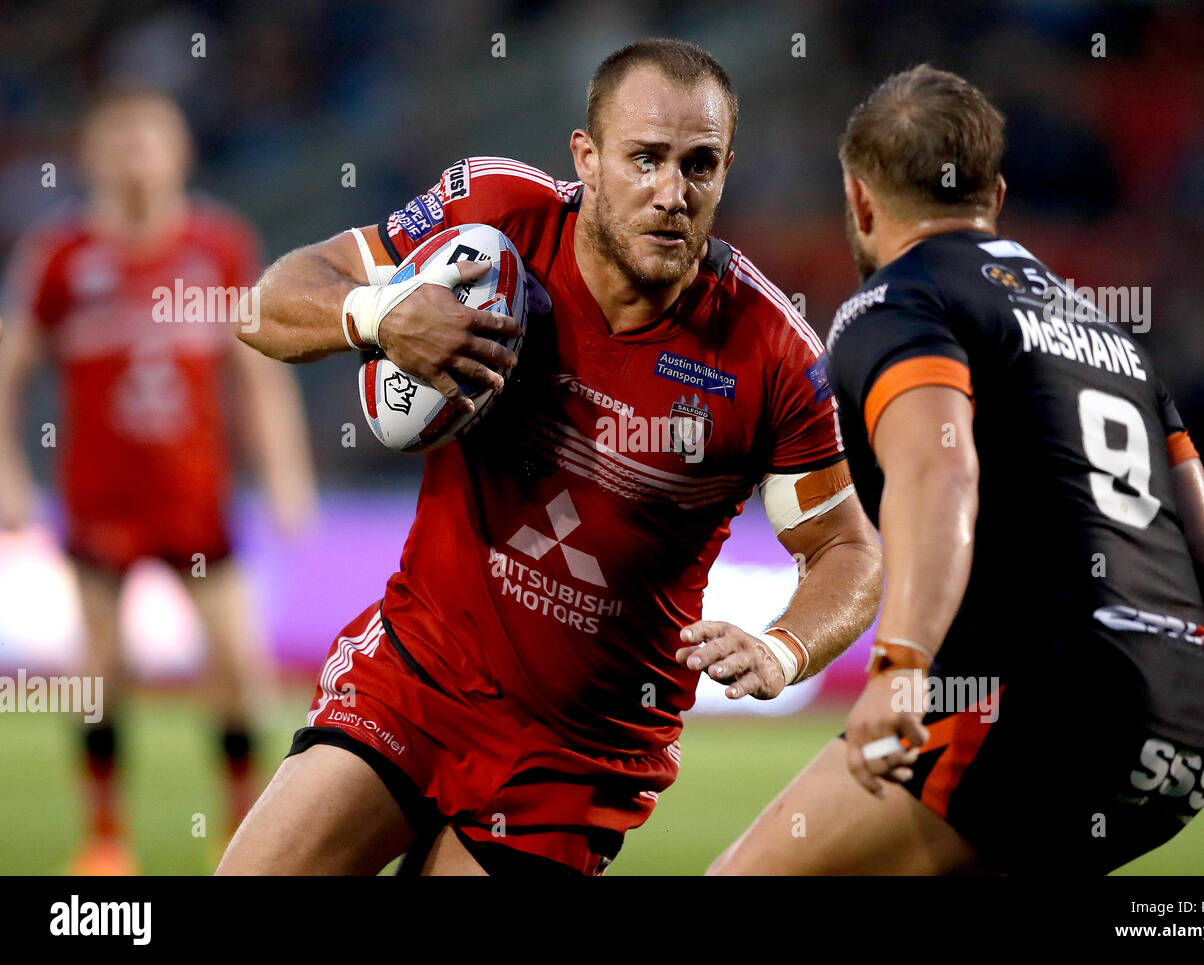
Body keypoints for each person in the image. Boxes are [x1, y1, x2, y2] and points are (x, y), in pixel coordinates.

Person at [219, 38, 882, 876]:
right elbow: (267, 304)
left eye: (700, 165)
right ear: (588, 157)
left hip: (577, 757)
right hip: (419, 673)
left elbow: (848, 549)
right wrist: (379, 312)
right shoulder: (494, 217)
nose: (672, 194)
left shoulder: (773, 352)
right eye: (644, 159)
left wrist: (786, 647)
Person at [709, 65, 1204, 875]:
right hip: (1190, 729)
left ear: (857, 199)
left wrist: (902, 667)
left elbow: (938, 469)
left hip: (1039, 705)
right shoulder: (1109, 339)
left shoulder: (901, 306)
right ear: (994, 194)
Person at [0, 88, 317, 875]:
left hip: (197, 500)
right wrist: (7, 472)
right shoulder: (62, 257)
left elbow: (258, 371)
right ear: (95, 156)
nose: (138, 155)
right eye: (123, 140)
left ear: (180, 153)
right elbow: (9, 368)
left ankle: (242, 834)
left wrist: (286, 472)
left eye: (153, 140)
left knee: (240, 670)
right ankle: (105, 839)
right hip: (100, 500)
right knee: (102, 672)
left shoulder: (218, 246)